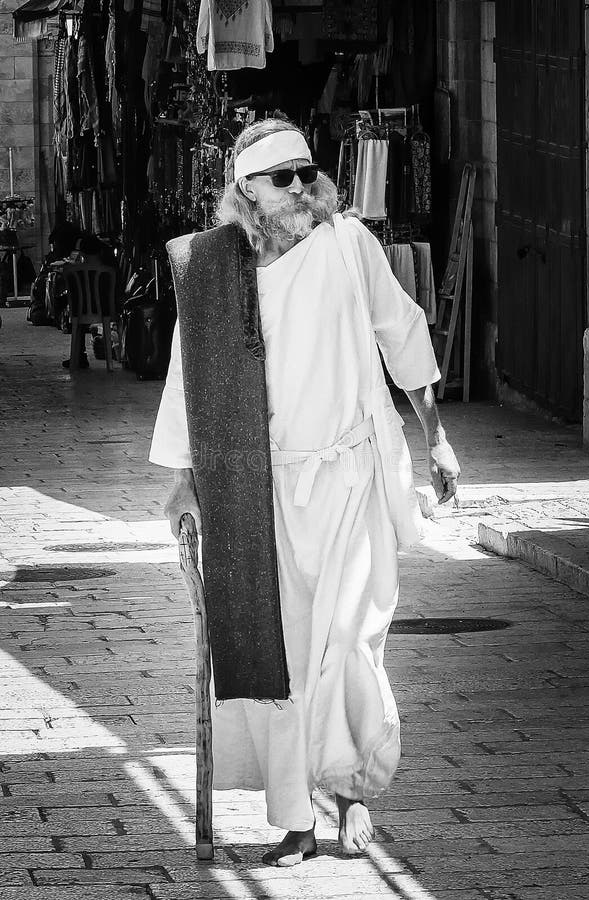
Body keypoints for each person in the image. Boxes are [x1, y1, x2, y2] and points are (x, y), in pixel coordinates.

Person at [149, 116, 460, 867]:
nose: (301, 189)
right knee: (280, 653)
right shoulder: (217, 272)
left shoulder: (349, 246)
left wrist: (437, 436)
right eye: (281, 178)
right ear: (246, 192)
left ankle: (350, 792)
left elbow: (402, 331)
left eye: (307, 174)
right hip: (264, 489)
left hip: (351, 476)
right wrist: (186, 483)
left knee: (350, 641)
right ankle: (296, 820)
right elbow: (187, 377)